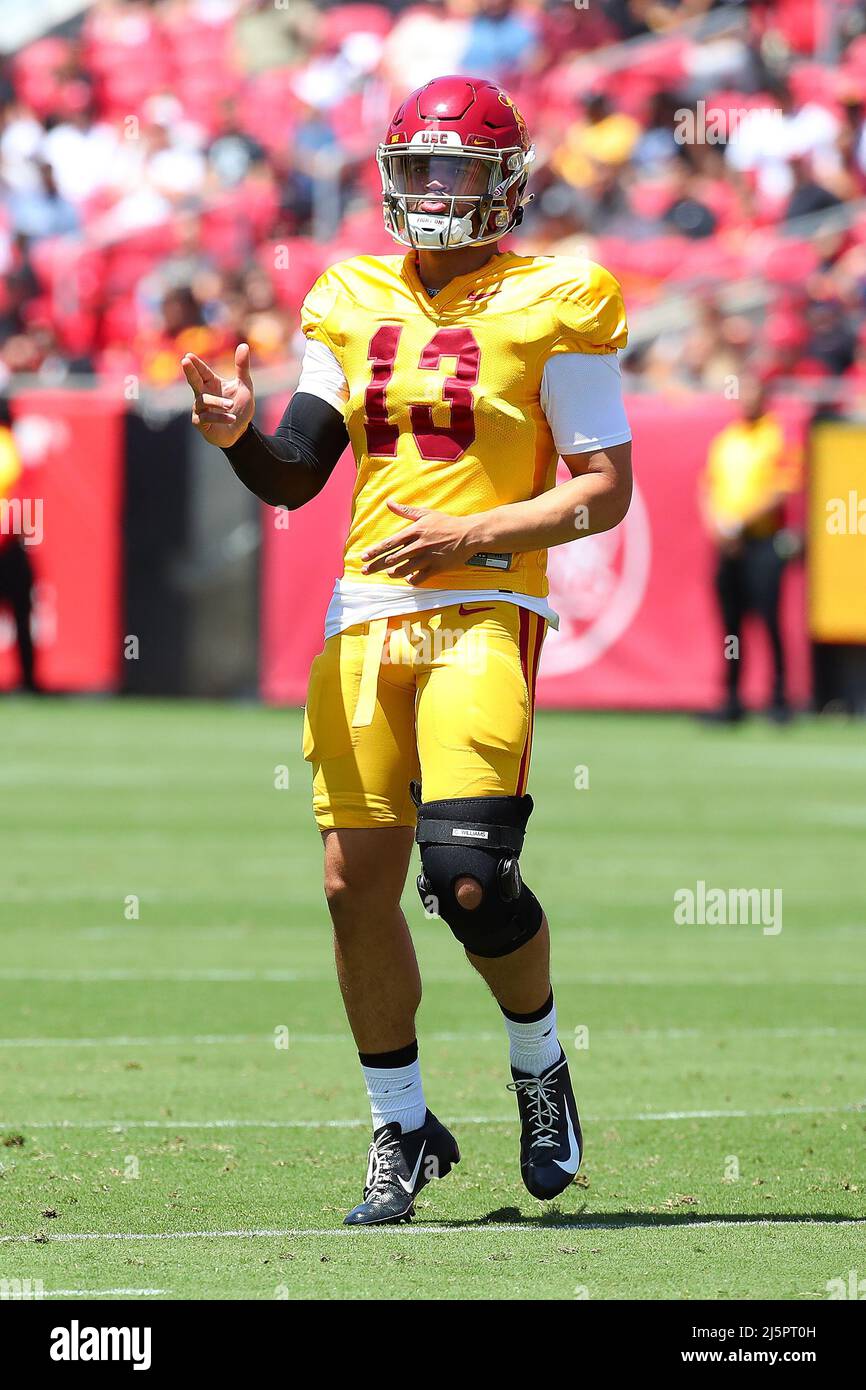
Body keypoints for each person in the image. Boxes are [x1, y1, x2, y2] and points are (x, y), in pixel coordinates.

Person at [182, 76, 633, 1225]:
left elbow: (603, 493)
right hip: (362, 616)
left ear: (505, 181)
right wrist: (240, 435)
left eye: (456, 171)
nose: (433, 192)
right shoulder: (347, 294)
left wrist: (475, 528)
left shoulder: (558, 298)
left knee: (467, 875)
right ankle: (400, 1124)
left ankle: (538, 1065)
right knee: (351, 888)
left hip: (484, 609)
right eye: (418, 168)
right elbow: (296, 469)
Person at [700, 379, 797, 723]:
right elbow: (709, 486)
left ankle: (779, 697)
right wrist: (718, 526)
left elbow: (781, 489)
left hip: (761, 540)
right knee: (731, 623)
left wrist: (740, 521)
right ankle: (731, 698)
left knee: (768, 618)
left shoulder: (777, 436)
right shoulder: (727, 439)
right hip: (729, 545)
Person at [0, 398, 38, 692]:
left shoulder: (10, 445)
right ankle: (27, 681)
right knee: (22, 612)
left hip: (9, 544)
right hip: (10, 543)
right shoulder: (10, 444)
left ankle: (27, 679)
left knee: (23, 611)